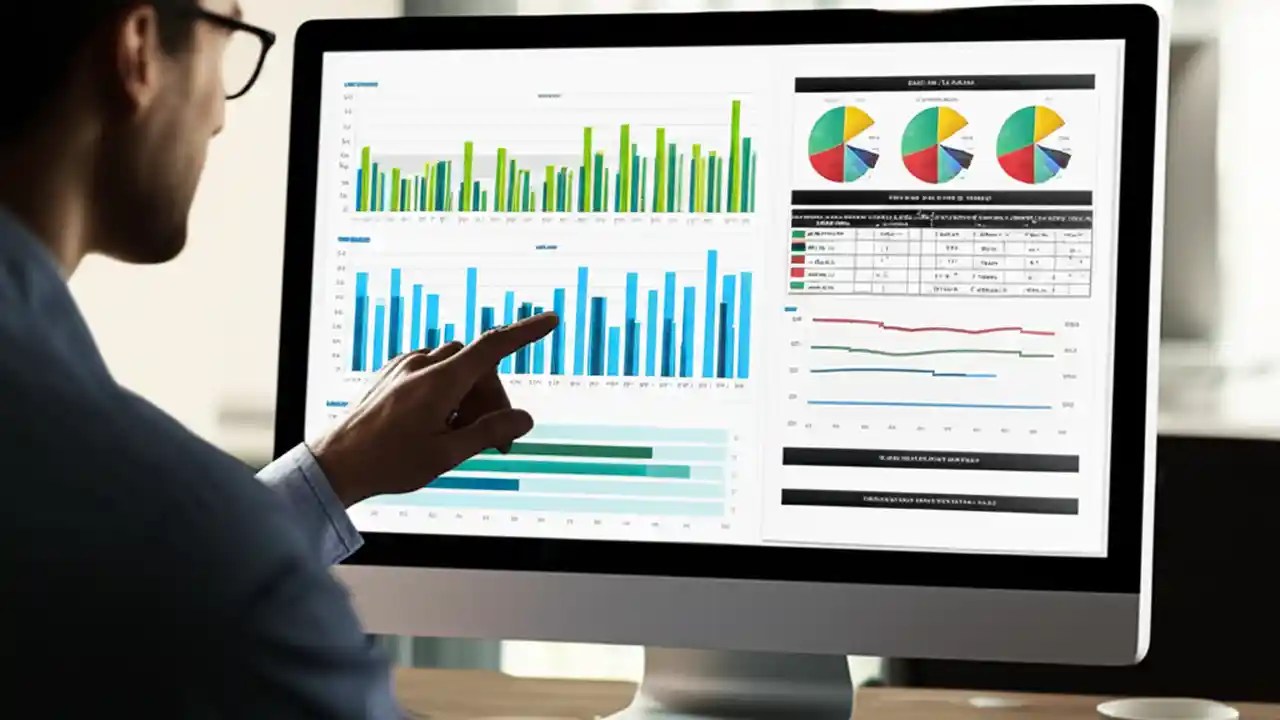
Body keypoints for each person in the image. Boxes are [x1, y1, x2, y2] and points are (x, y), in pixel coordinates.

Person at [0, 0, 556, 715]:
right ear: (137, 50)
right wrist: (242, 542)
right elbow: (185, 578)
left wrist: (326, 475)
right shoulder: (183, 541)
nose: (221, 117)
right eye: (226, 38)